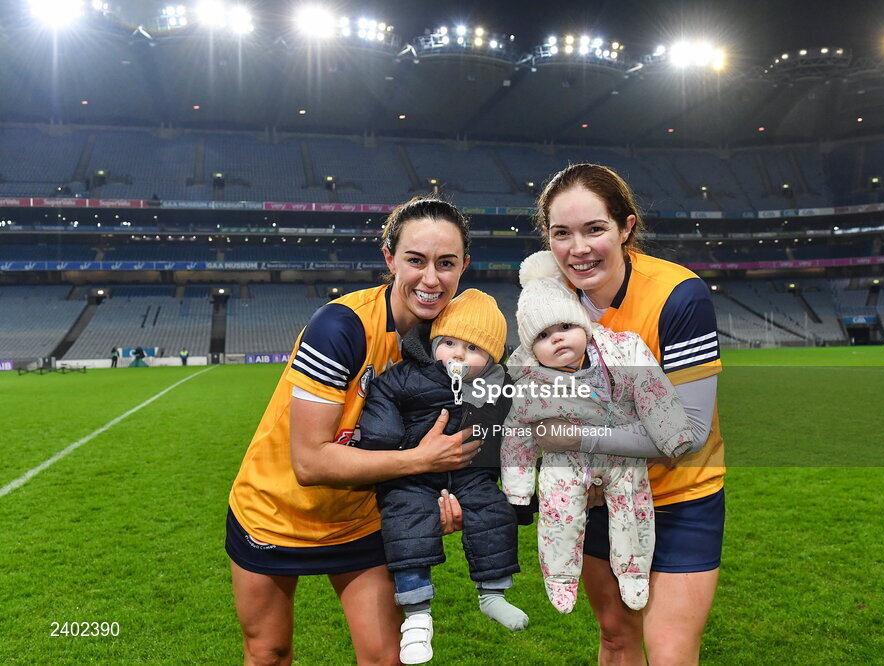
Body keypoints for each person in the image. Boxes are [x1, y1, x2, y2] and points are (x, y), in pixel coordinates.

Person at [226, 197, 483, 666]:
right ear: (390, 258)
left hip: (363, 517)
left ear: (464, 266)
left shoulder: (453, 344)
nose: (431, 279)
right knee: (268, 652)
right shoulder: (340, 326)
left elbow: (451, 438)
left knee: (386, 658)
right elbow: (309, 462)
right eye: (416, 260)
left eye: (446, 263)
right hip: (275, 511)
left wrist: (448, 498)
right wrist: (421, 462)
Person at [531, 164, 726, 666]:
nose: (578, 248)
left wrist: (579, 439)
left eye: (594, 229)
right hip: (600, 498)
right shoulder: (549, 301)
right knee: (617, 640)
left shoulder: (678, 295)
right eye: (561, 233)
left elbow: (689, 434)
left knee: (670, 652)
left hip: (680, 496)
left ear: (626, 227)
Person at [503, 251, 694, 614]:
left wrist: (672, 434)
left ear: (583, 325)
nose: (557, 339)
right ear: (531, 349)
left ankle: (634, 572)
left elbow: (651, 388)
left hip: (622, 453)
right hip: (567, 459)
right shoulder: (531, 383)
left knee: (633, 510)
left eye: (565, 326)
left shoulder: (621, 350)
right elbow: (516, 432)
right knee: (558, 514)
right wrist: (518, 488)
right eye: (543, 335)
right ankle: (560, 578)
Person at [357, 288, 526, 665]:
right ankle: (416, 614)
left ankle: (493, 594)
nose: (458, 355)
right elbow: (381, 396)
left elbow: (518, 426)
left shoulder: (501, 386)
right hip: (412, 470)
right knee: (406, 519)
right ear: (433, 343)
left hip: (469, 472)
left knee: (494, 511)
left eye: (473, 348)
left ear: (492, 358)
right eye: (449, 343)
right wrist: (385, 438)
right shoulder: (407, 376)